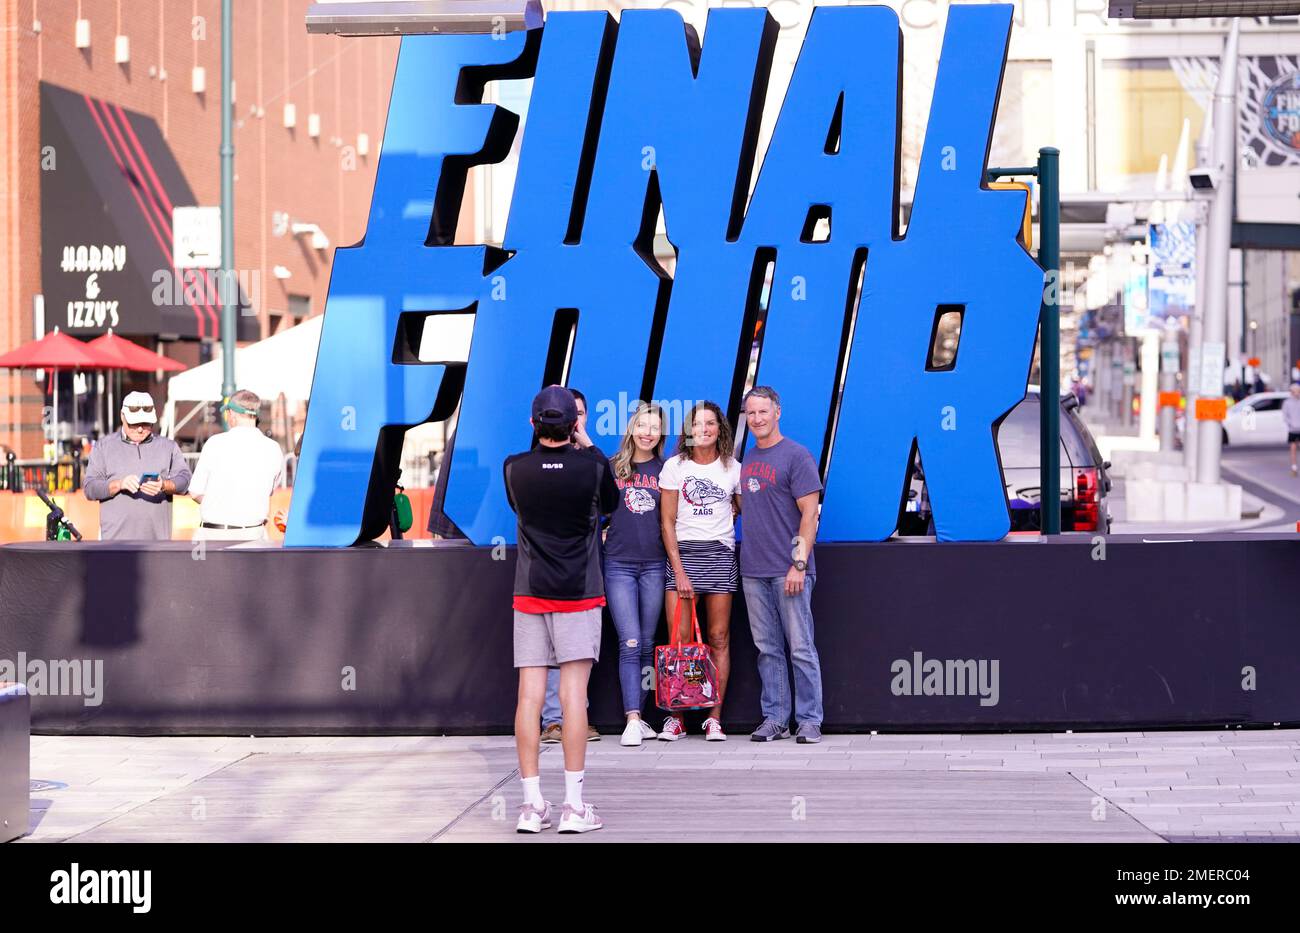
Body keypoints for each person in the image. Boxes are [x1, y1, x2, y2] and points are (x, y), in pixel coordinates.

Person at [506, 386, 618, 834]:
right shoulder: (592, 467)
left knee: (529, 699)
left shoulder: (514, 468)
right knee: (573, 699)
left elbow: (518, 507)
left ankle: (532, 806)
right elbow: (612, 503)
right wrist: (587, 442)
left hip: (530, 593)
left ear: (533, 424)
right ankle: (573, 807)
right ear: (575, 424)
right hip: (579, 594)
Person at [739, 387, 825, 744]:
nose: (757, 419)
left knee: (801, 647)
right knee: (767, 649)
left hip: (789, 569)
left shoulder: (796, 455)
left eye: (763, 412)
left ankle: (809, 720)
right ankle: (775, 718)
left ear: (777, 412)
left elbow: (810, 515)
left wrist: (799, 564)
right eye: (751, 413)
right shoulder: (746, 458)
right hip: (753, 570)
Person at [658, 400, 742, 742]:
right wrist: (678, 570)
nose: (704, 429)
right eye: (697, 424)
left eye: (710, 423)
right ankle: (676, 716)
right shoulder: (675, 466)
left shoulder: (732, 468)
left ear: (720, 428)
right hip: (684, 555)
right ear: (688, 430)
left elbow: (740, 507)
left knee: (719, 638)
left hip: (720, 555)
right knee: (680, 641)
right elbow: (666, 522)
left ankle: (714, 717)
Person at [604, 402, 667, 746]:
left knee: (646, 643)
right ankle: (631, 718)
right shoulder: (614, 468)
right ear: (631, 428)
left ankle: (640, 717)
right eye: (642, 425)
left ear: (661, 434)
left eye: (654, 427)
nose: (647, 432)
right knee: (629, 641)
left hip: (655, 565)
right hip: (619, 565)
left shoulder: (667, 469)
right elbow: (596, 512)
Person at [540, 387, 600, 744]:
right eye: (567, 413)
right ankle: (553, 721)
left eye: (578, 412)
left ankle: (576, 718)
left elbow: (609, 501)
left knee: (580, 650)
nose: (572, 419)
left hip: (586, 569)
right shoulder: (537, 460)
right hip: (547, 572)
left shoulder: (593, 462)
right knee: (549, 651)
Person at [82, 391, 191, 540]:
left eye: (145, 423)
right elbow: (89, 488)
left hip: (158, 544)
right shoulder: (103, 447)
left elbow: (185, 480)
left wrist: (164, 485)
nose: (140, 429)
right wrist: (119, 485)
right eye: (134, 424)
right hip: (114, 545)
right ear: (122, 416)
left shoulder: (169, 447)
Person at [188, 390, 286, 541]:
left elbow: (195, 491)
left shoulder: (215, 443)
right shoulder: (273, 448)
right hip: (254, 534)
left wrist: (221, 504)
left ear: (232, 413)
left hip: (213, 535)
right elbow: (269, 491)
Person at [1284, 383, 1300, 477]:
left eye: (1298, 391)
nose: (1297, 393)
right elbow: (1285, 416)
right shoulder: (1287, 403)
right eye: (1295, 391)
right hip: (1292, 430)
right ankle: (1294, 468)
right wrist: (1291, 424)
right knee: (1293, 449)